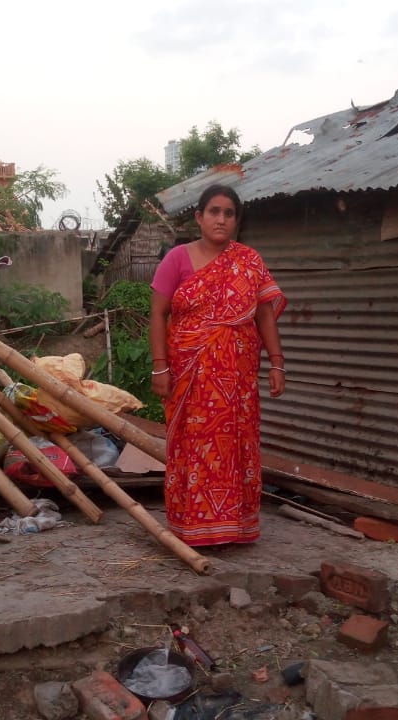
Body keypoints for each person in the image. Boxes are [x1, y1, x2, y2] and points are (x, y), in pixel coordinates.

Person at [148, 184, 287, 547]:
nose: (221, 219)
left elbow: (265, 314)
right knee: (194, 447)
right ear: (199, 217)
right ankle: (191, 526)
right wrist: (160, 367)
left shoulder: (249, 261)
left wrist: (277, 363)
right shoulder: (177, 258)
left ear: (236, 221)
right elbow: (158, 314)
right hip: (189, 373)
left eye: (228, 213)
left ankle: (235, 526)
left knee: (236, 445)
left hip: (237, 378)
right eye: (214, 211)